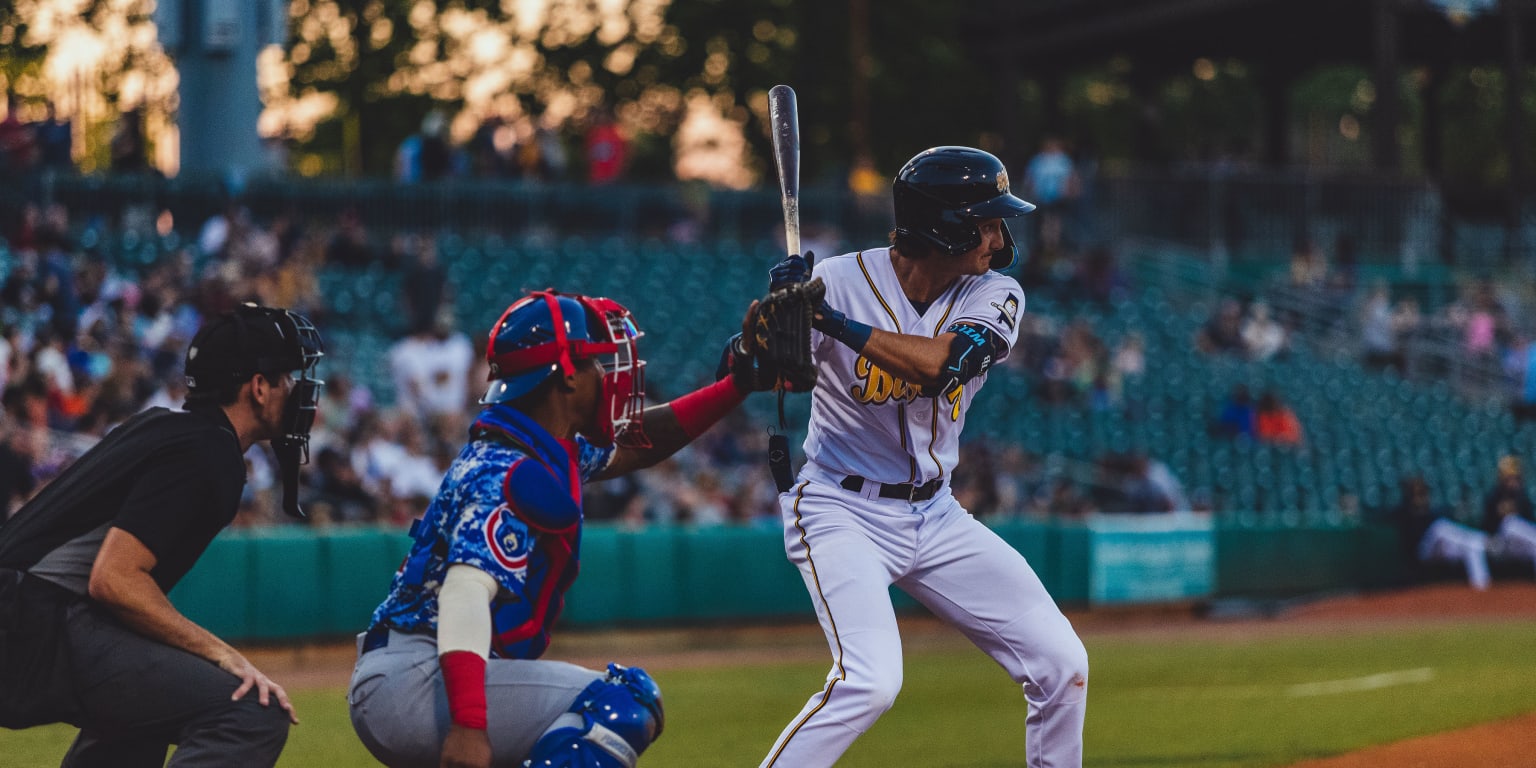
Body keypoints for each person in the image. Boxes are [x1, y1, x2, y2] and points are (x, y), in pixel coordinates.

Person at [349, 289, 775, 767]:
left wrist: (737, 386)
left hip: (418, 669)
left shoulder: (536, 445)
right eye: (596, 363)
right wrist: (469, 725)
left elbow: (642, 441)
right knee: (620, 703)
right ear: (568, 375)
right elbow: (463, 592)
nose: (607, 375)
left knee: (560, 732)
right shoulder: (506, 468)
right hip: (416, 679)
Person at [760, 146, 1087, 768]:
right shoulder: (834, 278)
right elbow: (777, 378)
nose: (998, 237)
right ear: (946, 228)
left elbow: (943, 366)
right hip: (838, 507)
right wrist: (780, 319)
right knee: (871, 681)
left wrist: (827, 319)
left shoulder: (995, 292)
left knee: (1062, 665)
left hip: (936, 516)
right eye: (987, 223)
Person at [0, 303, 325, 765]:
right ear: (257, 387)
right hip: (33, 620)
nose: (296, 389)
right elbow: (113, 580)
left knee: (144, 715)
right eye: (287, 378)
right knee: (251, 713)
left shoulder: (168, 428)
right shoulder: (210, 451)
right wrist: (223, 654)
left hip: (25, 614)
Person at [1391, 475, 1491, 590]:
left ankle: (1481, 585)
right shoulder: (1405, 512)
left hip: (1438, 549)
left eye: (1422, 493)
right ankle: (1484, 539)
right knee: (1439, 528)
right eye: (1418, 494)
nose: (1421, 498)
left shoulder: (1430, 510)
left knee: (1473, 546)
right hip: (1422, 551)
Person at [1481, 456, 1536, 577]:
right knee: (1510, 523)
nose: (1513, 481)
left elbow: (1529, 522)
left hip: (1519, 544)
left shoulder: (1522, 498)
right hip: (1499, 544)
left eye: (1515, 478)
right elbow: (1487, 526)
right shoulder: (1494, 498)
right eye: (1509, 478)